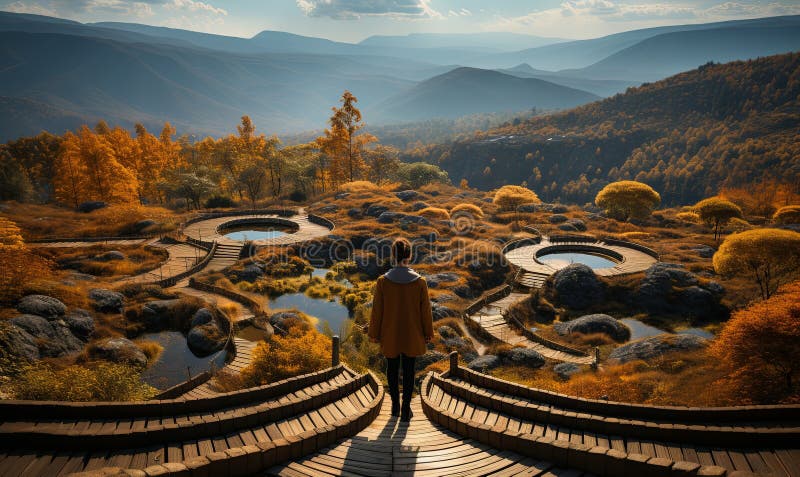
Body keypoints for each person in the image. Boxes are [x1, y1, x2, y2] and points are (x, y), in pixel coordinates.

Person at [368, 237, 433, 422]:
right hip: (413, 334)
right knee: (410, 370)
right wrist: (428, 333)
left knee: (392, 369)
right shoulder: (420, 282)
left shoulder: (383, 281)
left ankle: (395, 406)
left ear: (393, 256)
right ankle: (406, 409)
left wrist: (373, 334)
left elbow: (377, 312)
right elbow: (425, 312)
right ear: (409, 256)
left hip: (390, 334)